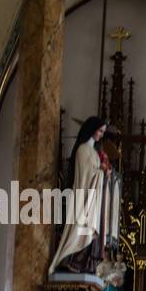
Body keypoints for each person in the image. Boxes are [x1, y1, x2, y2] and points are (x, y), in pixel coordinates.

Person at [49, 116, 119, 274]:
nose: (101, 134)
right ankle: (71, 260)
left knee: (90, 232)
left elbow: (96, 173)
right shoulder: (82, 150)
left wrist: (105, 173)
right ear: (92, 129)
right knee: (80, 229)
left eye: (103, 132)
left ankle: (85, 264)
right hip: (83, 198)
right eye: (100, 131)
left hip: (92, 200)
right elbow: (85, 175)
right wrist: (100, 171)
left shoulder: (94, 152)